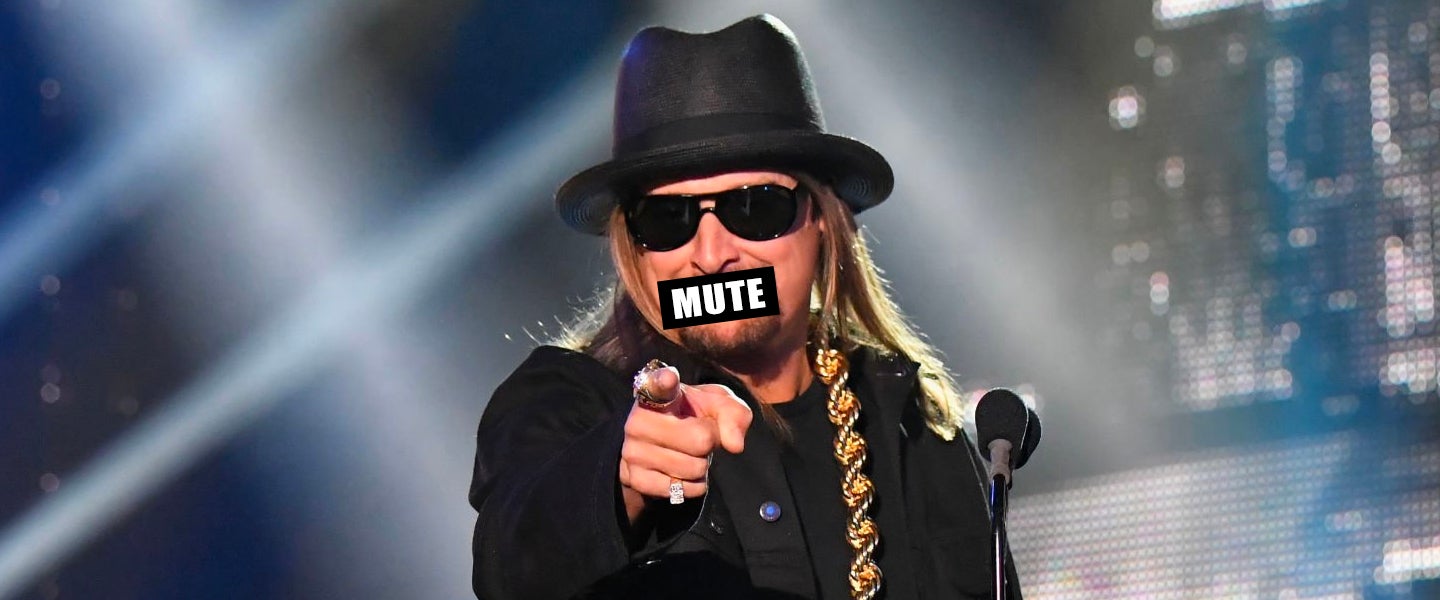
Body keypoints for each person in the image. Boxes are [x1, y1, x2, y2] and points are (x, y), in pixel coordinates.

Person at [469, 14, 1023, 600]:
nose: (712, 255)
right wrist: (619, 482)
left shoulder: (910, 419)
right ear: (633, 244)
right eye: (668, 218)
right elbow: (509, 562)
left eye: (755, 208)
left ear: (823, 221)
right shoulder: (569, 400)